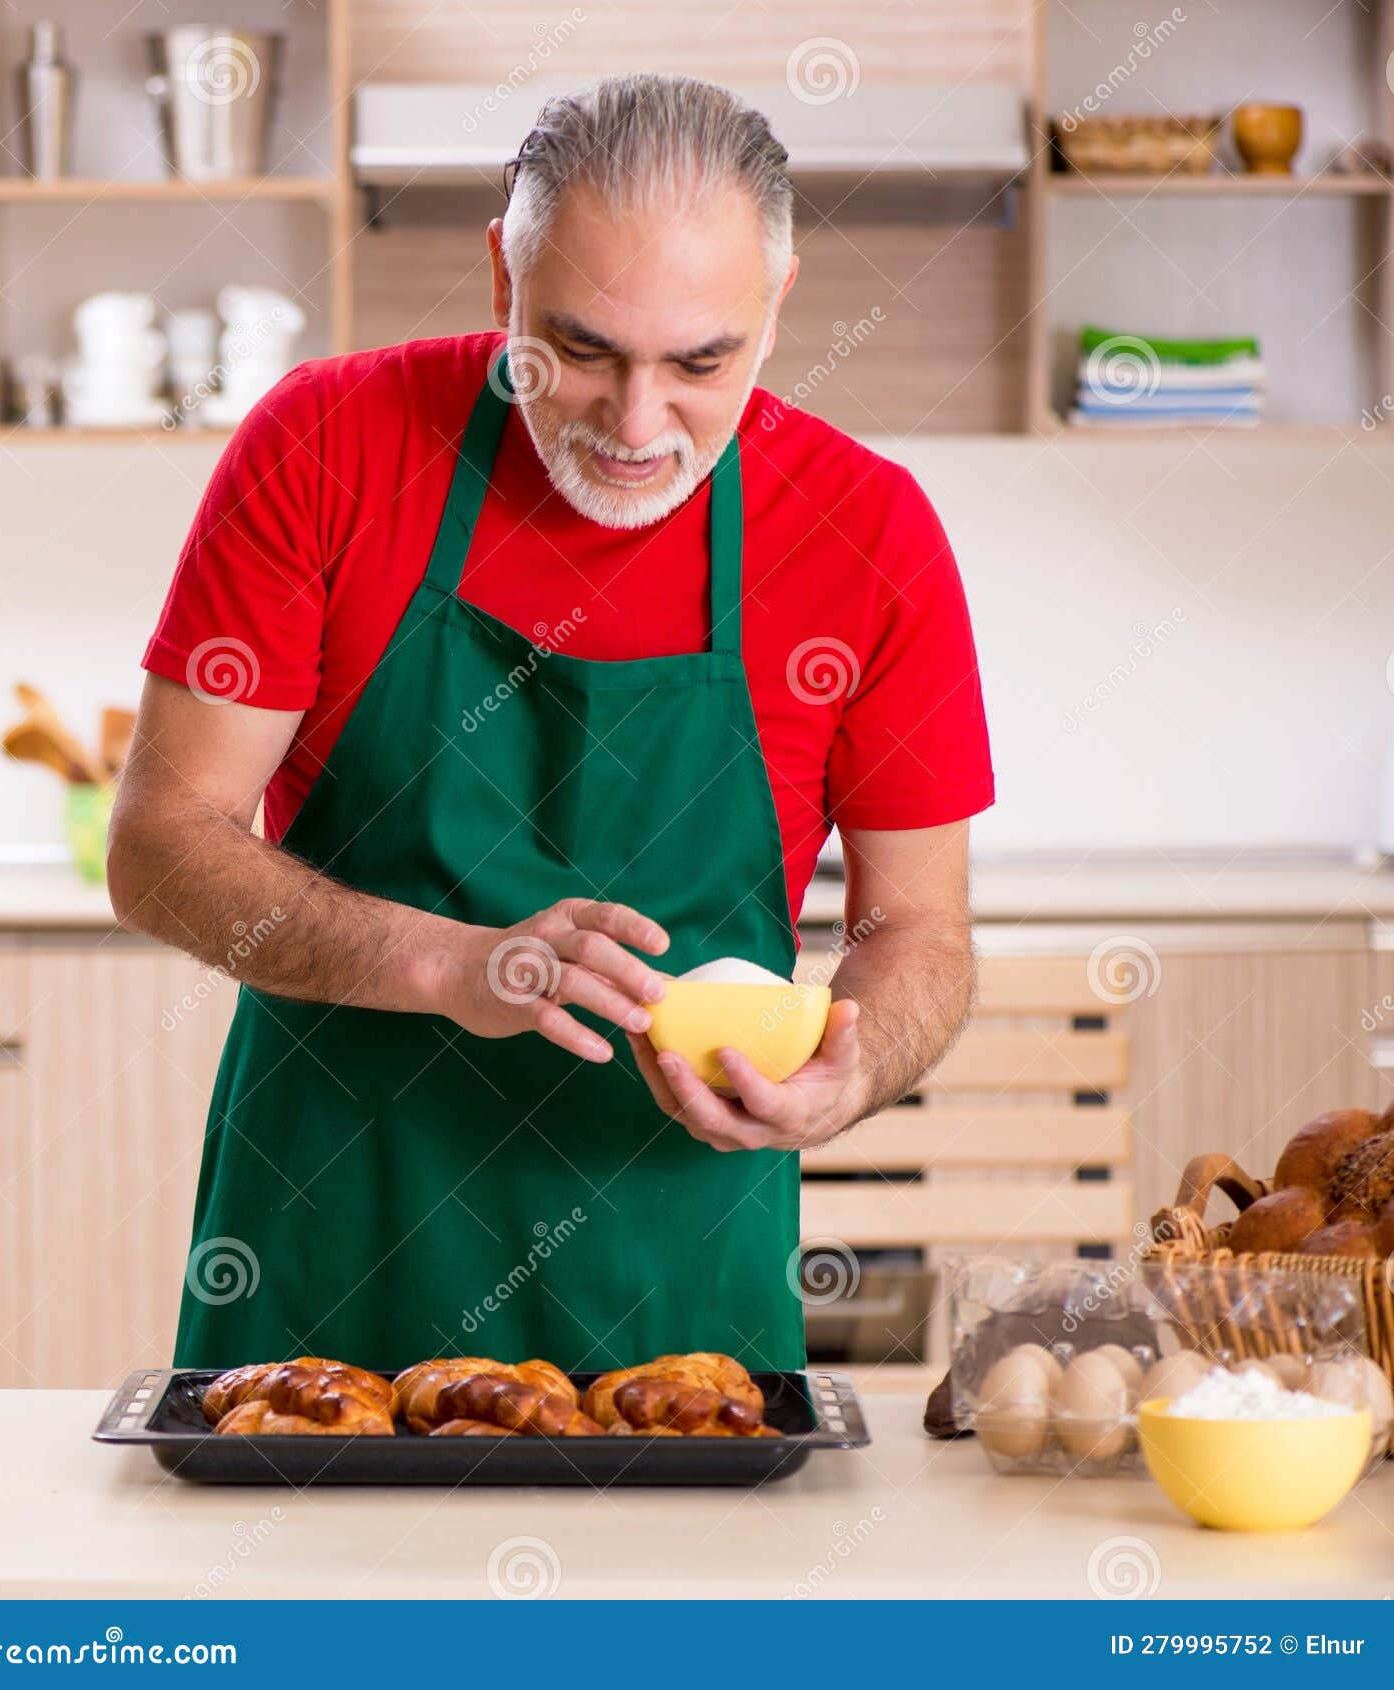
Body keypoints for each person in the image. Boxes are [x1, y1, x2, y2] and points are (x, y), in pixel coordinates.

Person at [108, 74, 994, 1372]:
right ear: (499, 280)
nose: (637, 425)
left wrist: (848, 1073)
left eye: (700, 362)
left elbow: (918, 926)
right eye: (579, 350)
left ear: (776, 302)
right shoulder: (324, 447)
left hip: (677, 1297)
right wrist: (446, 964)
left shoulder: (866, 533)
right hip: (330, 1262)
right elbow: (159, 846)